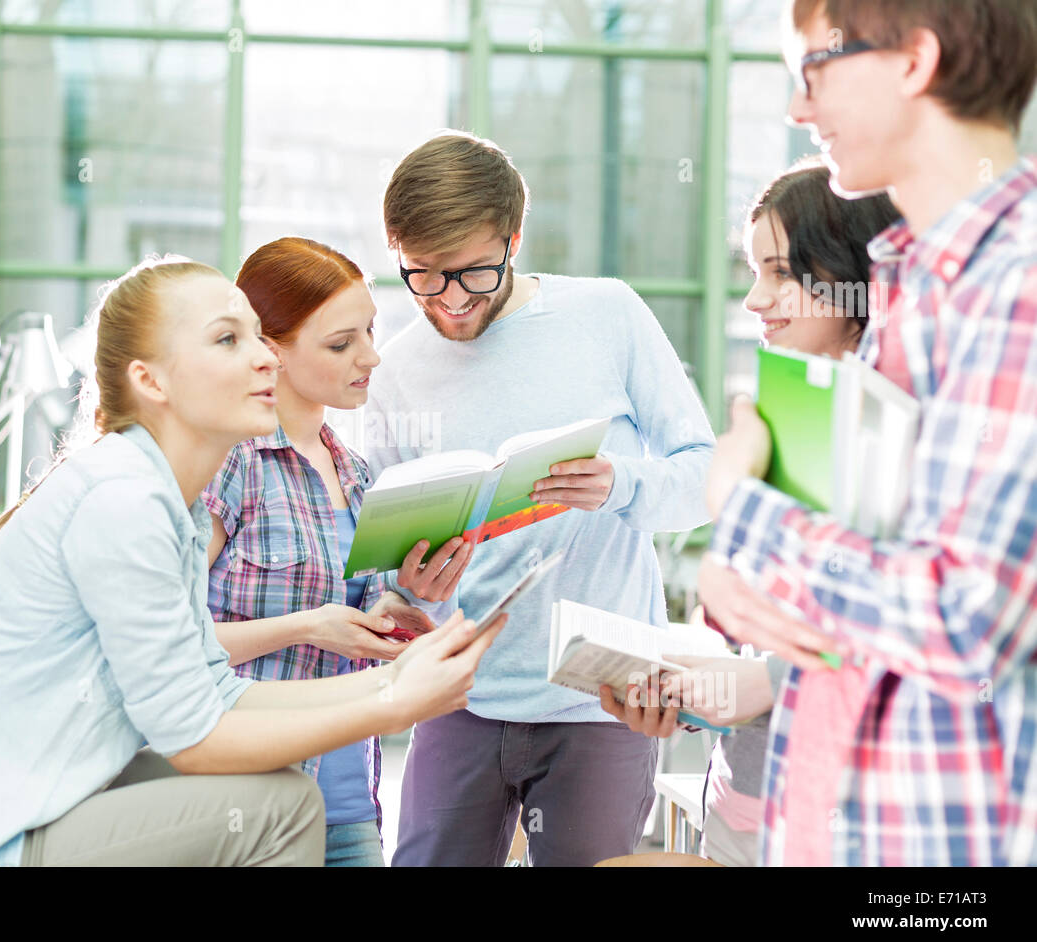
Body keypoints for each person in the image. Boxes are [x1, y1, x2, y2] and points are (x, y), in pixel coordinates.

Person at [0, 255, 504, 866]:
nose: (265, 357)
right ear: (151, 381)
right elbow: (195, 737)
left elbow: (214, 691)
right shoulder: (123, 500)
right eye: (229, 340)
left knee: (280, 791)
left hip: (7, 816)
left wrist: (400, 679)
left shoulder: (169, 503)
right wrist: (391, 703)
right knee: (283, 806)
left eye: (258, 336)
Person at [698, 0, 1037, 865]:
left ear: (914, 62)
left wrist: (742, 508)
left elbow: (964, 619)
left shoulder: (1017, 289)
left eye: (814, 71)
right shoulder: (911, 292)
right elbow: (877, 585)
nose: (798, 110)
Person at [365, 132, 716, 867]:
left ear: (514, 239)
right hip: (458, 695)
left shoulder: (606, 316)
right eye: (422, 277)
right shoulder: (396, 369)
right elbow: (384, 556)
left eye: (473, 274)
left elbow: (705, 478)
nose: (450, 303)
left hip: (598, 696)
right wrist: (408, 586)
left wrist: (622, 485)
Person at [601, 159, 899, 867]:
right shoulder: (791, 412)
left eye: (782, 274)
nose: (756, 301)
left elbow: (900, 639)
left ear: (854, 272)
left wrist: (759, 687)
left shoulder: (893, 433)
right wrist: (691, 684)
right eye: (753, 273)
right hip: (746, 804)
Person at [202, 237, 459, 866]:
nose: (371, 356)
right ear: (270, 351)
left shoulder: (360, 475)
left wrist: (408, 602)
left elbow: (357, 627)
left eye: (369, 332)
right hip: (250, 804)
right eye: (341, 344)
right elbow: (172, 640)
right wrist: (313, 627)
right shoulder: (226, 465)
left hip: (352, 806)